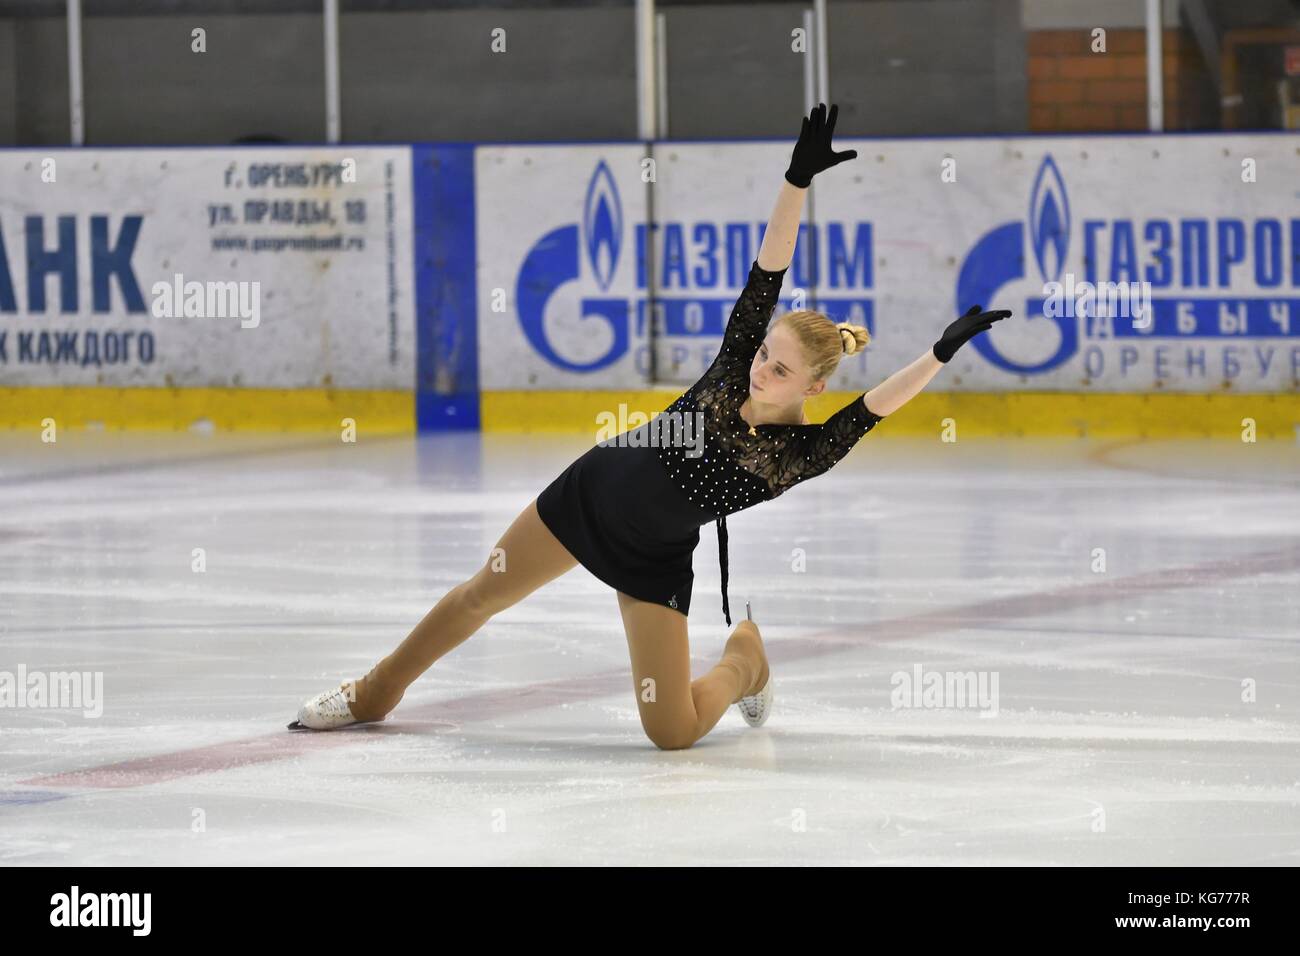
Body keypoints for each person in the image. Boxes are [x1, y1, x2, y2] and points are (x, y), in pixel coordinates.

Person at [291, 102, 1010, 749]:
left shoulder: (802, 454)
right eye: (765, 355)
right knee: (486, 589)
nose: (762, 371)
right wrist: (796, 181)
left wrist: (939, 354)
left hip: (654, 556)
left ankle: (746, 660)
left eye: (781, 371)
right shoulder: (731, 371)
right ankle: (377, 689)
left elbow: (871, 411)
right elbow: (768, 272)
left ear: (813, 387)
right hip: (593, 491)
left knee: (671, 731)